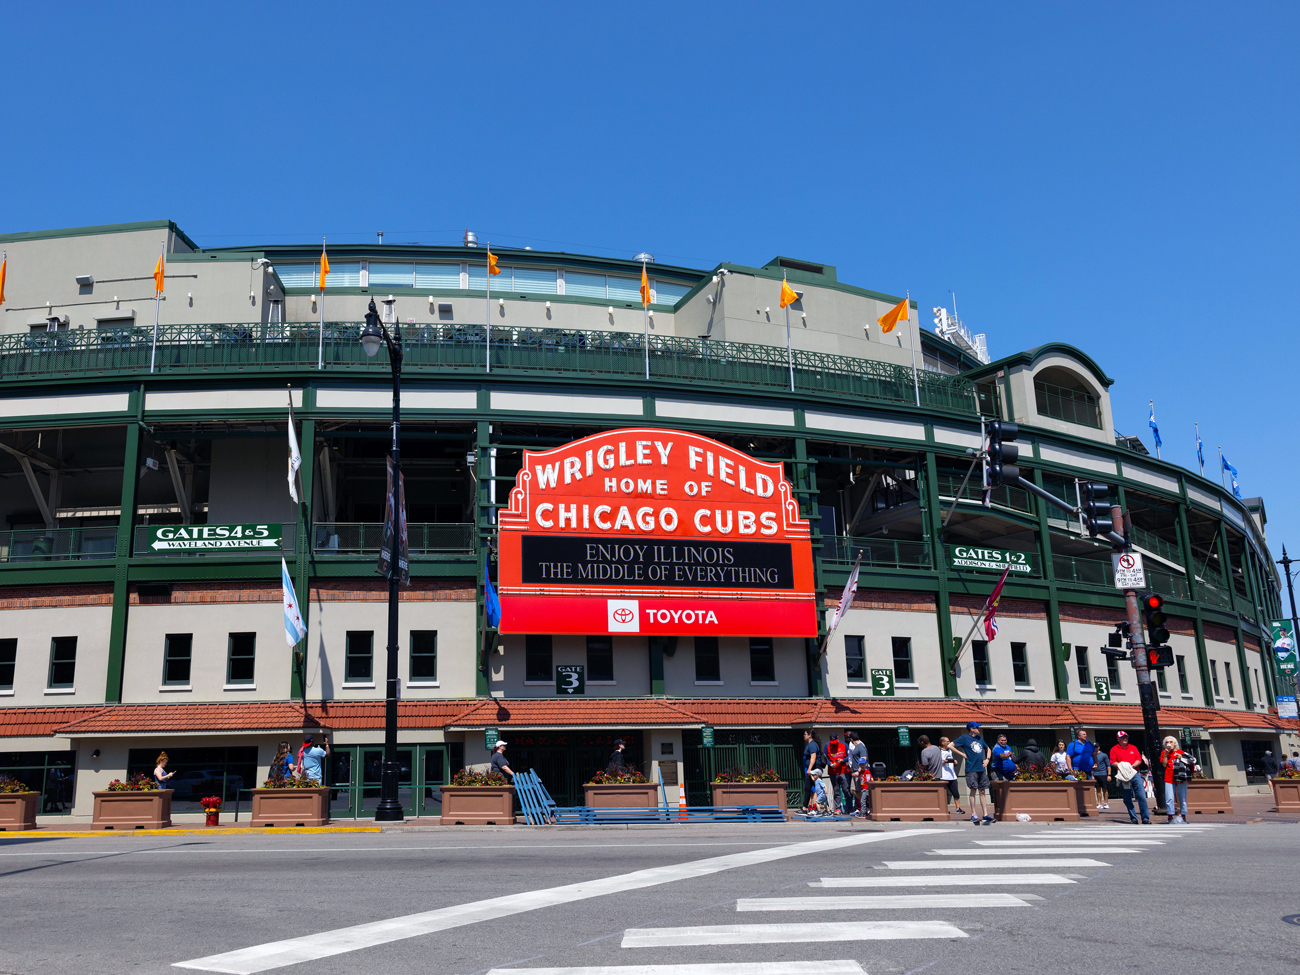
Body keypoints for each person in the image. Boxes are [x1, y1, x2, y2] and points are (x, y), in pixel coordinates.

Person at [951, 721, 993, 825]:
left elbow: (988, 749)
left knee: (982, 791)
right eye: (977, 728)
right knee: (973, 790)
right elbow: (951, 745)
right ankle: (973, 814)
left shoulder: (980, 739)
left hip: (981, 768)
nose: (978, 729)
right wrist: (962, 754)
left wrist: (987, 759)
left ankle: (985, 814)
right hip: (971, 768)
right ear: (971, 729)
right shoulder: (964, 738)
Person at [1109, 731, 1150, 824]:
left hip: (1135, 773)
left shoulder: (1133, 747)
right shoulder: (1114, 749)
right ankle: (1134, 818)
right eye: (1122, 737)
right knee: (1127, 797)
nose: (1125, 738)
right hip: (1124, 775)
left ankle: (1145, 818)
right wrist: (1123, 766)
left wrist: (1132, 766)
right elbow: (1112, 761)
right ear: (1118, 738)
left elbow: (1139, 759)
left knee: (1142, 796)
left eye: (1126, 736)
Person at [1159, 735, 1193, 824]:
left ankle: (1183, 815)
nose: (1169, 744)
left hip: (1180, 777)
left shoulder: (1180, 752)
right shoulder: (1164, 752)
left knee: (1182, 797)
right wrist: (1166, 754)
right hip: (1169, 777)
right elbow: (1164, 764)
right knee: (1169, 797)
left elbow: (1191, 761)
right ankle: (1170, 815)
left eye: (1171, 742)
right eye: (1167, 742)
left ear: (1175, 743)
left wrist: (1181, 757)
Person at [846, 732, 869, 816]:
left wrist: (858, 771)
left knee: (860, 791)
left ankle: (866, 807)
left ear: (851, 739)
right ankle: (866, 806)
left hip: (859, 773)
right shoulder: (856, 747)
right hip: (855, 771)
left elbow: (863, 760)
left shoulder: (861, 747)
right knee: (853, 790)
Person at [938, 736, 962, 815]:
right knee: (943, 794)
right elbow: (937, 763)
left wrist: (954, 762)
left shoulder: (950, 750)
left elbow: (951, 760)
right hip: (943, 776)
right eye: (947, 741)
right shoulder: (939, 751)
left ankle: (958, 808)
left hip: (952, 775)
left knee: (955, 792)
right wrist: (944, 762)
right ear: (943, 743)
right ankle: (944, 809)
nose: (949, 743)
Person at [826, 734, 849, 814]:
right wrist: (829, 763)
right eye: (832, 742)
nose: (834, 743)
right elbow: (825, 757)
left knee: (846, 789)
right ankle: (838, 808)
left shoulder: (844, 745)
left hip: (843, 771)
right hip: (833, 772)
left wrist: (843, 760)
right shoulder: (827, 745)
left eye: (835, 741)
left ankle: (849, 807)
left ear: (838, 738)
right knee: (836, 790)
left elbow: (849, 756)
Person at [802, 730, 823, 810]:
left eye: (805, 734)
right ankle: (804, 808)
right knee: (807, 788)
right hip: (812, 770)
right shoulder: (810, 745)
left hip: (814, 770)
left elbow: (813, 757)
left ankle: (825, 808)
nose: (804, 735)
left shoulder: (812, 745)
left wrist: (809, 769)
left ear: (810, 735)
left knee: (818, 789)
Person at [1092, 745, 1111, 810]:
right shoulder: (1092, 755)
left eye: (1096, 747)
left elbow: (1108, 765)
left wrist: (1109, 775)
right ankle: (1099, 803)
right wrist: (1092, 774)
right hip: (1095, 774)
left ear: (1099, 747)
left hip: (1103, 773)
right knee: (1098, 789)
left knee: (1104, 789)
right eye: (1094, 747)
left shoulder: (1104, 755)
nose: (1095, 748)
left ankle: (1106, 803)